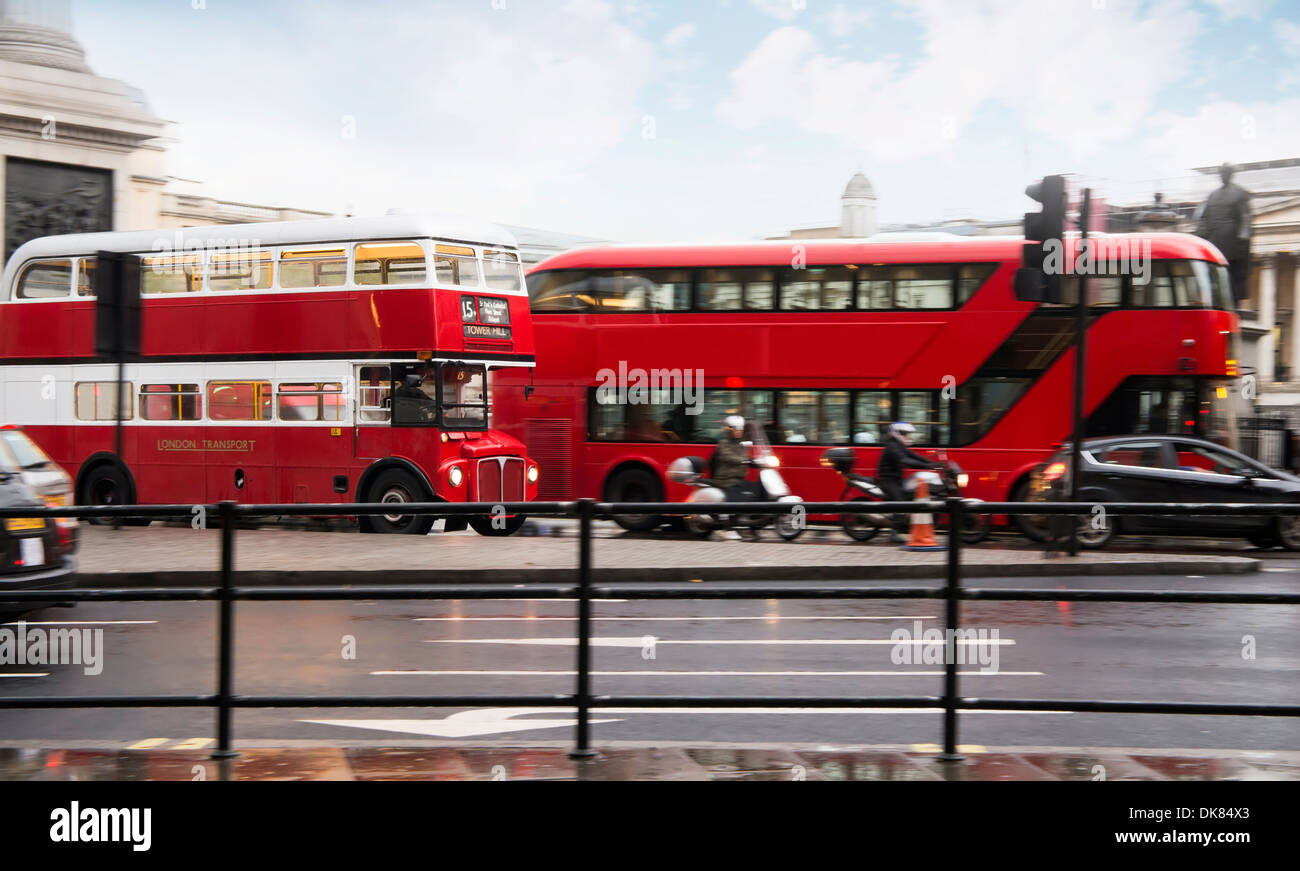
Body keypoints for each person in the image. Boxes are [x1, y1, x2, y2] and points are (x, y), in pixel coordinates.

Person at [876, 421, 936, 543]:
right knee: (900, 502)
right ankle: (894, 533)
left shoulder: (899, 445)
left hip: (896, 479)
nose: (908, 436)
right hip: (888, 480)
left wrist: (931, 463)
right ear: (897, 433)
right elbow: (905, 460)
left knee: (910, 493)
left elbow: (913, 455)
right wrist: (927, 466)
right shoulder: (893, 446)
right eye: (905, 434)